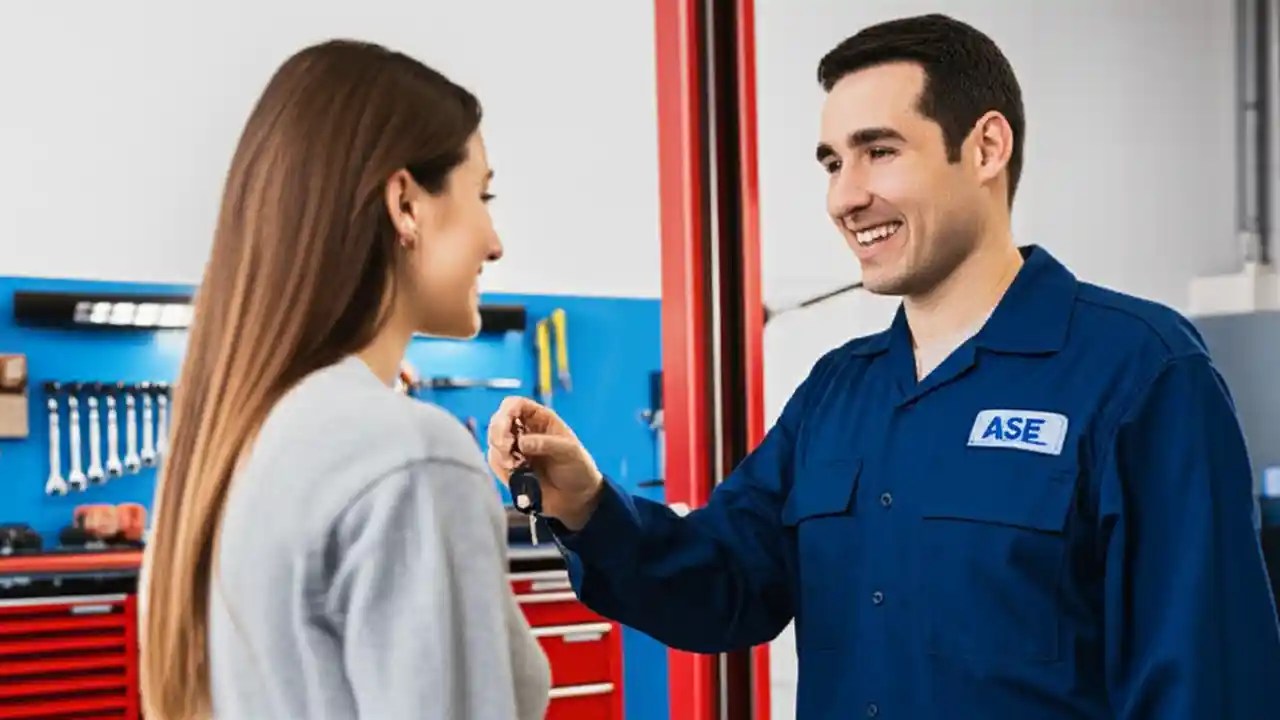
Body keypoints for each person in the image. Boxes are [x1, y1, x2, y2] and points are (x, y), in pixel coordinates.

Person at [487, 13, 1280, 719]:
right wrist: (588, 502)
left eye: (879, 151)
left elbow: (1207, 683)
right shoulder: (840, 391)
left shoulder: (1139, 372)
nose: (845, 197)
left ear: (986, 148)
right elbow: (723, 584)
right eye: (832, 162)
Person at [140, 40, 550, 720]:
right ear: (405, 203)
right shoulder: (408, 457)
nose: (495, 240)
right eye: (482, 193)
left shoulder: (229, 445)